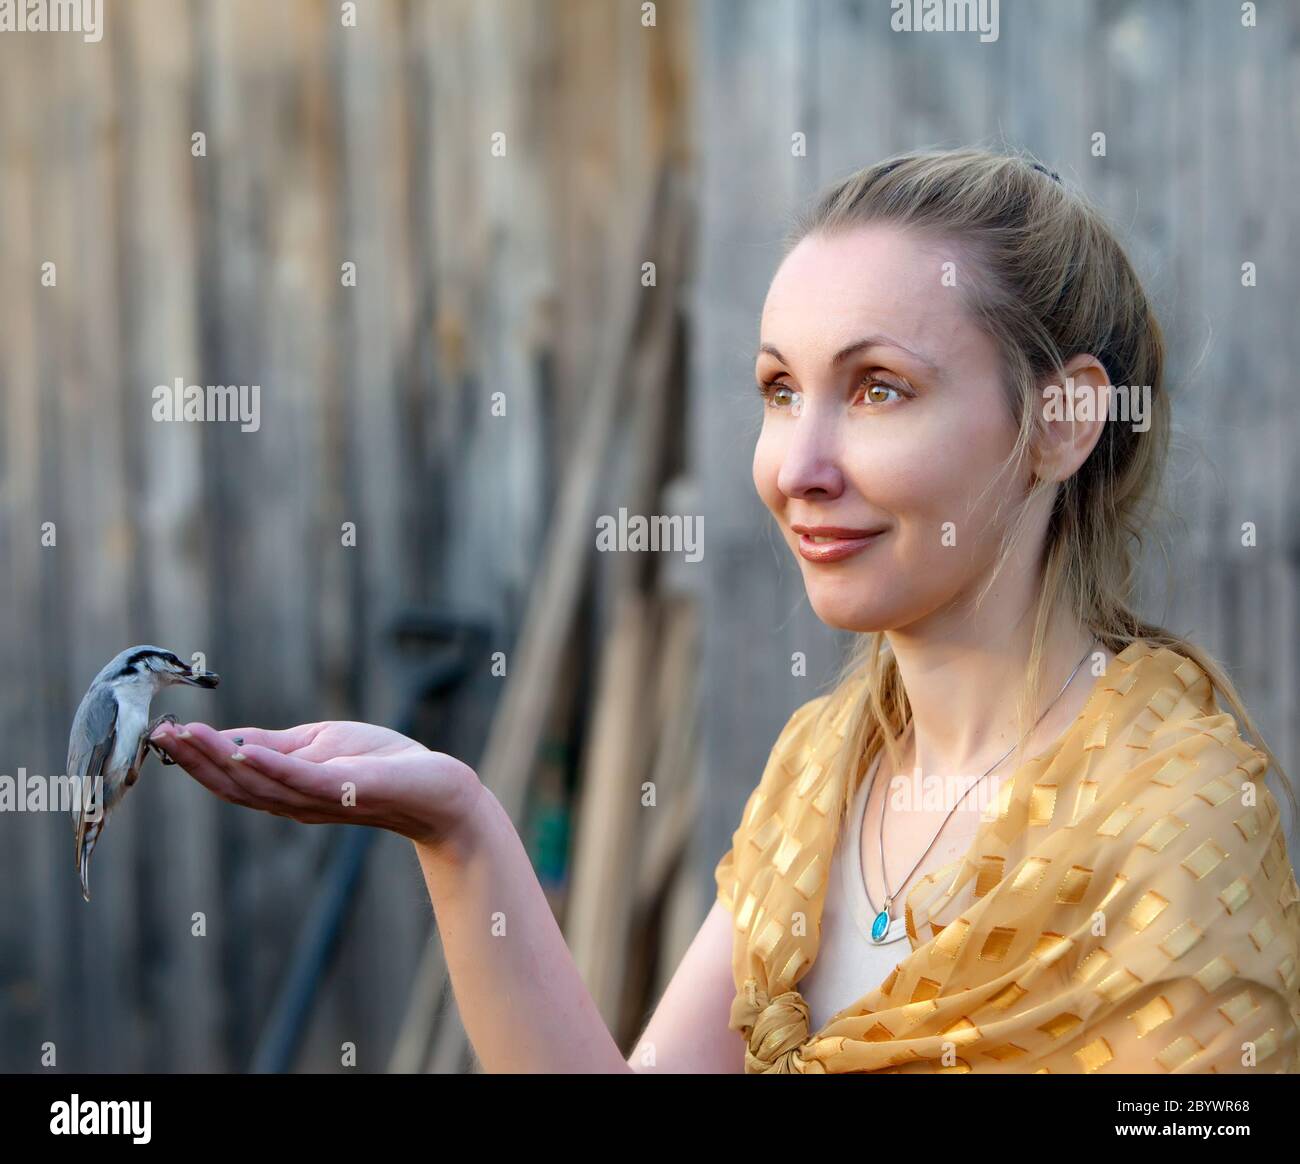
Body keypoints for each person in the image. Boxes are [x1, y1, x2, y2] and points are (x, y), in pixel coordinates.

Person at [151, 146, 1300, 1074]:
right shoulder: (821, 775)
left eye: (878, 389)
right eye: (779, 390)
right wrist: (457, 828)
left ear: (1059, 421)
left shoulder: (1172, 821)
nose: (796, 464)